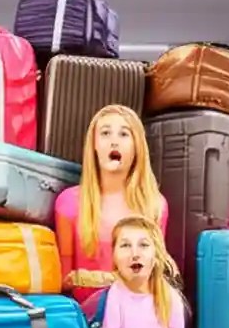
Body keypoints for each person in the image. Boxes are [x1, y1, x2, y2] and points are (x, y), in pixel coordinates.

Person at [54, 104, 169, 306]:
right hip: (85, 320)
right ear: (94, 145)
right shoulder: (68, 203)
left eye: (124, 134)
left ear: (137, 146)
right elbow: (63, 282)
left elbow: (154, 276)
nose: (114, 141)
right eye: (105, 133)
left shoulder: (155, 205)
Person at [91, 216, 194, 328]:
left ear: (156, 256)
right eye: (125, 245)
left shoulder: (169, 295)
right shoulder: (115, 294)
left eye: (143, 245)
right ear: (114, 257)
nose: (134, 253)